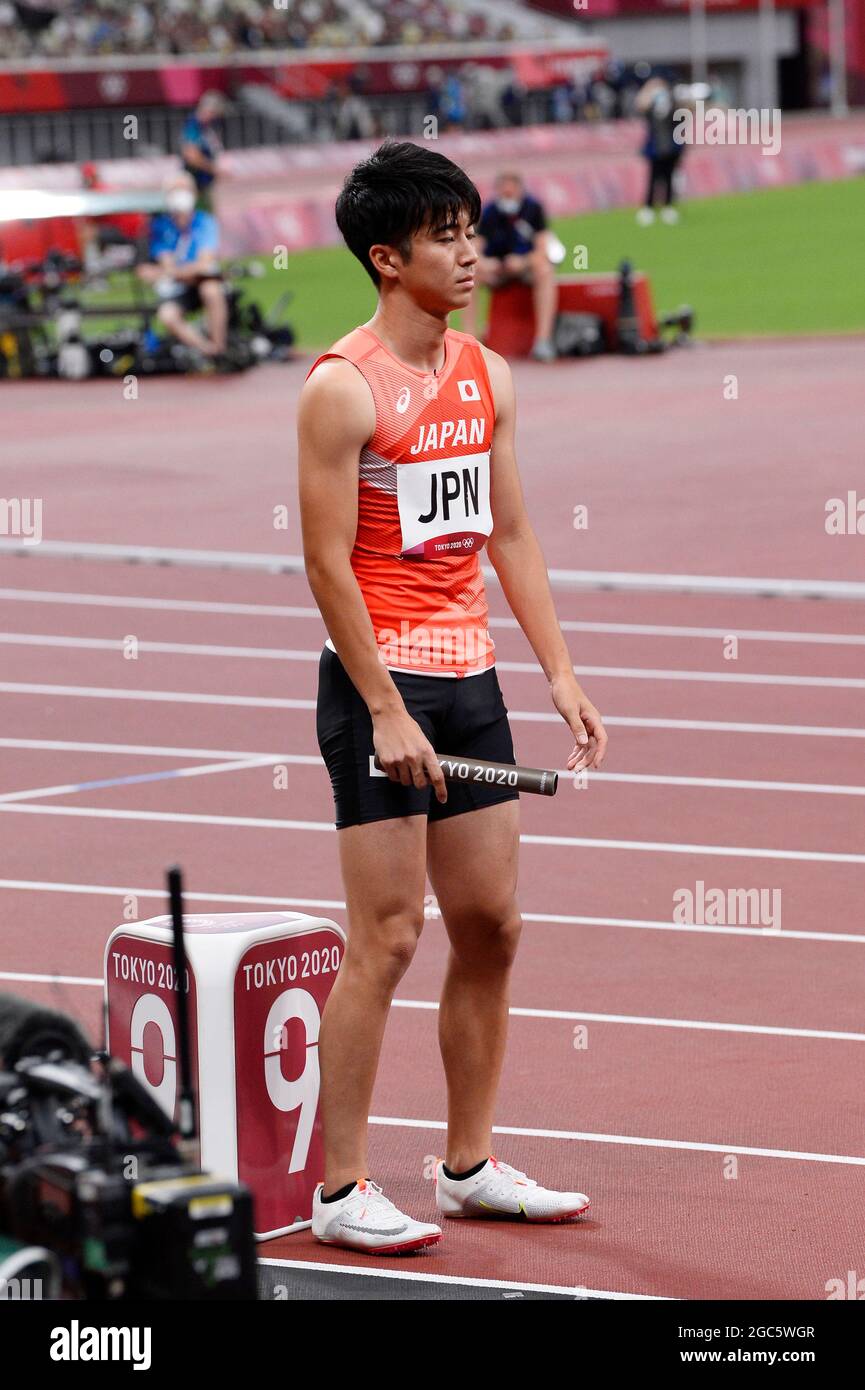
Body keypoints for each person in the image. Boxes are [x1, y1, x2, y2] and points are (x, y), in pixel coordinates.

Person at [297, 141, 608, 1255]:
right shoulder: (341, 389)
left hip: (470, 679)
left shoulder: (486, 374)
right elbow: (328, 565)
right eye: (446, 235)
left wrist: (558, 670)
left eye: (473, 230)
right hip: (381, 687)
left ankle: (466, 1165)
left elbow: (510, 531)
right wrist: (384, 709)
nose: (472, 252)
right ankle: (340, 1190)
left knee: (493, 927)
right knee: (386, 935)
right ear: (387, 258)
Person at [464, 171, 558, 361]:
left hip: (525, 268)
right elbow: (474, 250)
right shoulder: (490, 212)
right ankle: (471, 338)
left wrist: (523, 262)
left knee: (546, 270)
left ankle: (543, 340)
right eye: (503, 192)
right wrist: (487, 263)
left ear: (519, 189)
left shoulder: (533, 209)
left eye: (511, 191)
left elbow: (544, 249)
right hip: (497, 271)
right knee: (469, 273)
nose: (507, 196)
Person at [136, 174, 227, 360]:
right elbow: (166, 261)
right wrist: (172, 272)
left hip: (201, 282)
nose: (181, 195)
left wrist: (167, 273)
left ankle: (220, 346)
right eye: (175, 190)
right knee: (167, 315)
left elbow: (205, 262)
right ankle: (207, 349)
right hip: (178, 289)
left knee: (211, 290)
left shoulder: (204, 222)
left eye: (184, 189)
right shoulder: (161, 226)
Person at [635, 76, 684, 225]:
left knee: (668, 178)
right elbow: (640, 104)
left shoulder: (674, 106)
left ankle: (668, 207)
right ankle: (648, 208)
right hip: (655, 149)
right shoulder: (651, 108)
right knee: (653, 178)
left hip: (671, 148)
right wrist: (649, 88)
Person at [180, 91, 226, 212]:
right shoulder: (194, 125)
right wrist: (213, 168)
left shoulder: (208, 126)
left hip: (204, 185)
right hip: (194, 184)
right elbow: (190, 155)